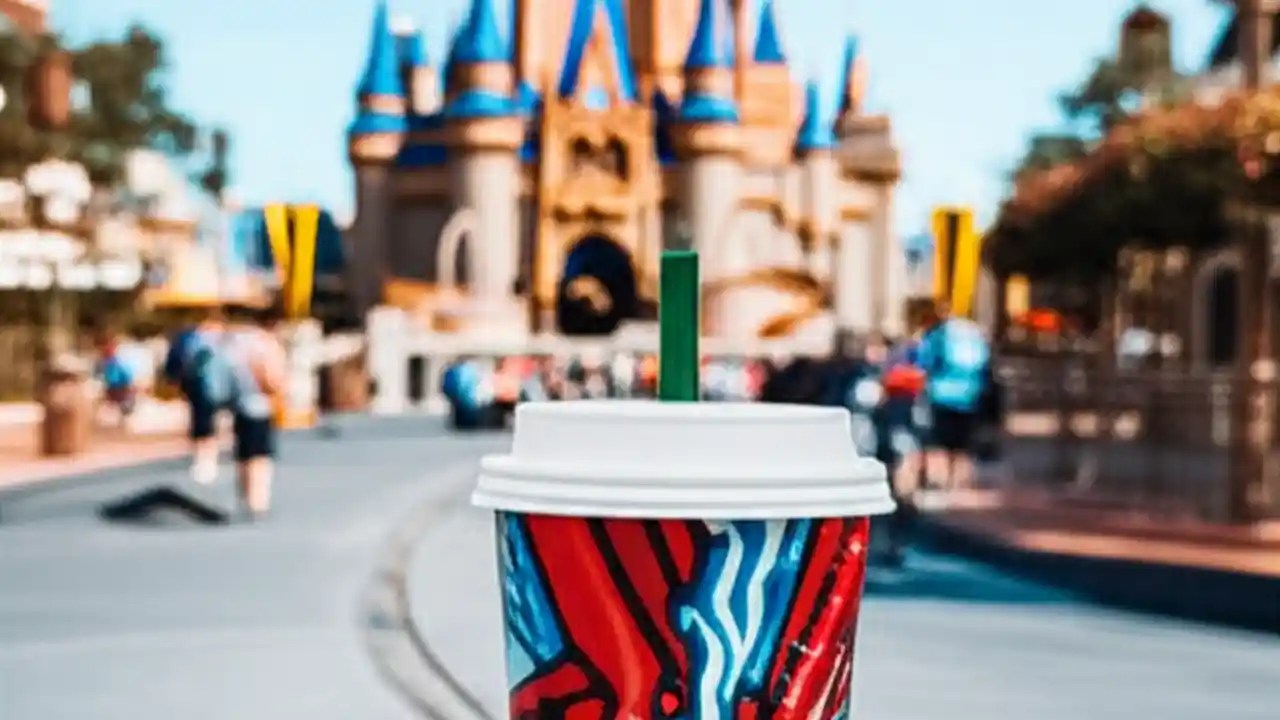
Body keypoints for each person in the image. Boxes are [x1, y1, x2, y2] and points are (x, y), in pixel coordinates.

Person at [917, 300, 991, 495]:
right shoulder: (973, 333)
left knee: (939, 441)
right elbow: (984, 363)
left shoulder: (939, 334)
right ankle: (959, 481)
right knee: (963, 442)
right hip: (970, 393)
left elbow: (925, 361)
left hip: (941, 393)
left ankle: (941, 481)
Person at [222, 302, 287, 520]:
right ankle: (257, 500)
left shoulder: (235, 343)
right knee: (260, 456)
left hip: (239, 404)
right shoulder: (264, 344)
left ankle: (245, 496)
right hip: (260, 404)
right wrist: (277, 389)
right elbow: (270, 377)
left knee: (244, 454)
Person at [163, 307, 228, 486]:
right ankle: (205, 455)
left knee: (202, 421)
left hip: (202, 386)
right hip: (203, 387)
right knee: (203, 421)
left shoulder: (189, 339)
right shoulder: (205, 340)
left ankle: (204, 455)